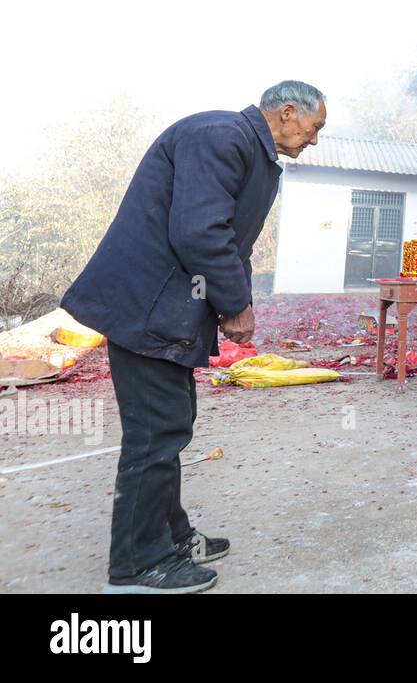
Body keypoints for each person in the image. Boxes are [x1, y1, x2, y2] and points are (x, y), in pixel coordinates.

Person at [62, 80, 326, 593]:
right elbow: (200, 232)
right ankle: (137, 566)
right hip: (148, 307)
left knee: (171, 425)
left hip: (167, 310)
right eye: (315, 127)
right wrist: (235, 304)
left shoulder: (246, 146)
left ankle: (170, 537)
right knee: (155, 434)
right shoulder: (220, 135)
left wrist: (234, 300)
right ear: (289, 113)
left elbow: (232, 239)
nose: (314, 139)